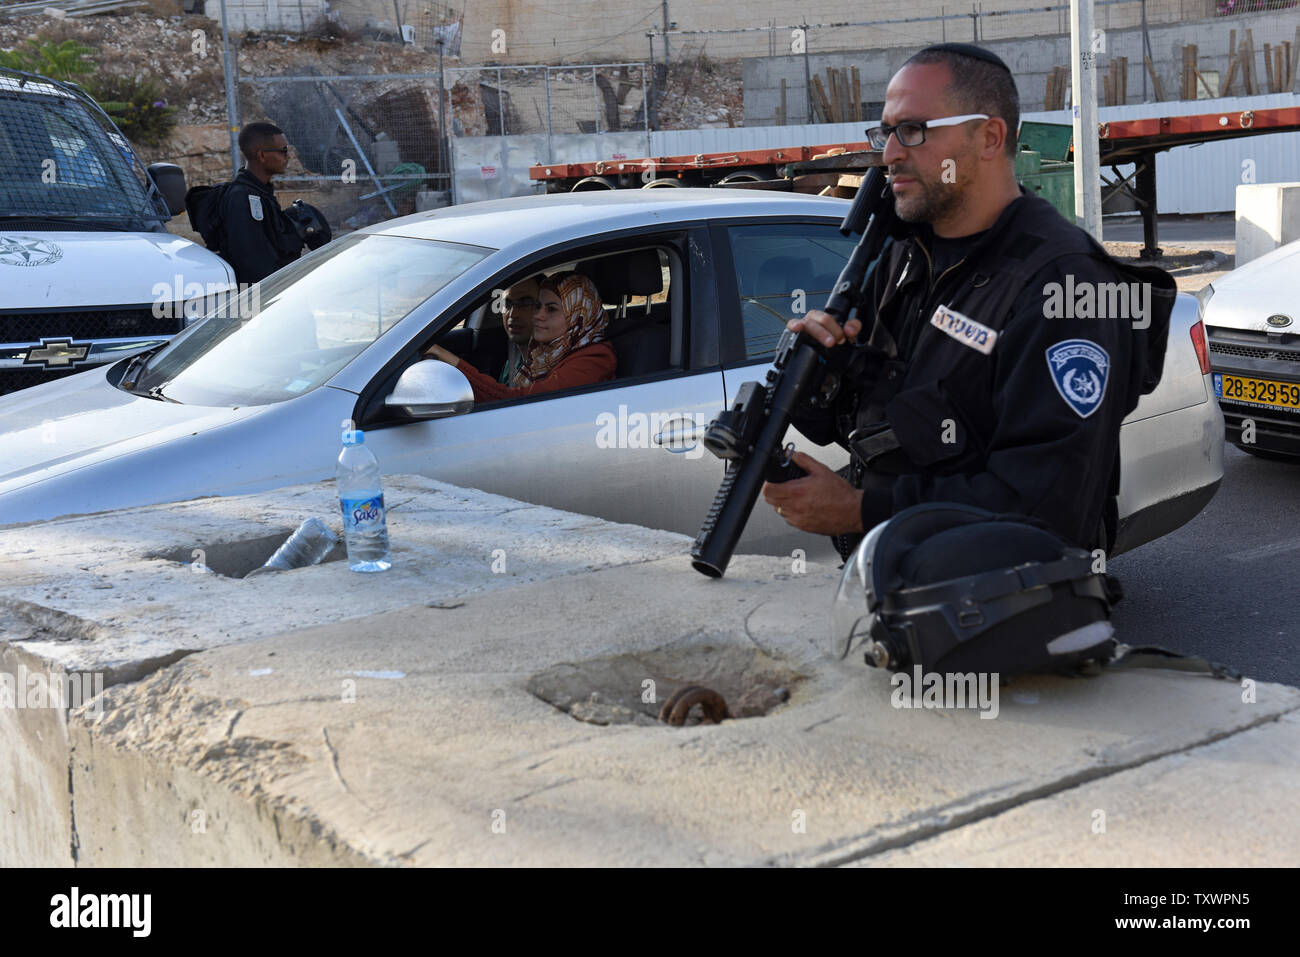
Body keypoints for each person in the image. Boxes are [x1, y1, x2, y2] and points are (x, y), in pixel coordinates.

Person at [762, 42, 1174, 558]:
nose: (889, 153)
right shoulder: (903, 254)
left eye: (913, 131)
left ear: (989, 137)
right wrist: (822, 376)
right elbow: (880, 427)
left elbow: (1047, 508)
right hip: (901, 588)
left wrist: (860, 509)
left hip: (1007, 615)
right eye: (886, 132)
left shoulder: (1068, 284)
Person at [424, 271, 617, 400]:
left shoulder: (595, 359)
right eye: (538, 306)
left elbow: (519, 402)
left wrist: (450, 361)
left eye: (551, 309)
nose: (538, 315)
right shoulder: (544, 353)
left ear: (577, 315)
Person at [216, 122, 306, 285]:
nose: (288, 156)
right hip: (263, 298)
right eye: (283, 151)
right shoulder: (242, 197)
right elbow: (253, 264)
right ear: (262, 156)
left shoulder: (260, 192)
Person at [495, 275, 543, 384]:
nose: (513, 314)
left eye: (525, 303)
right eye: (507, 304)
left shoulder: (554, 369)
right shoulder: (513, 361)